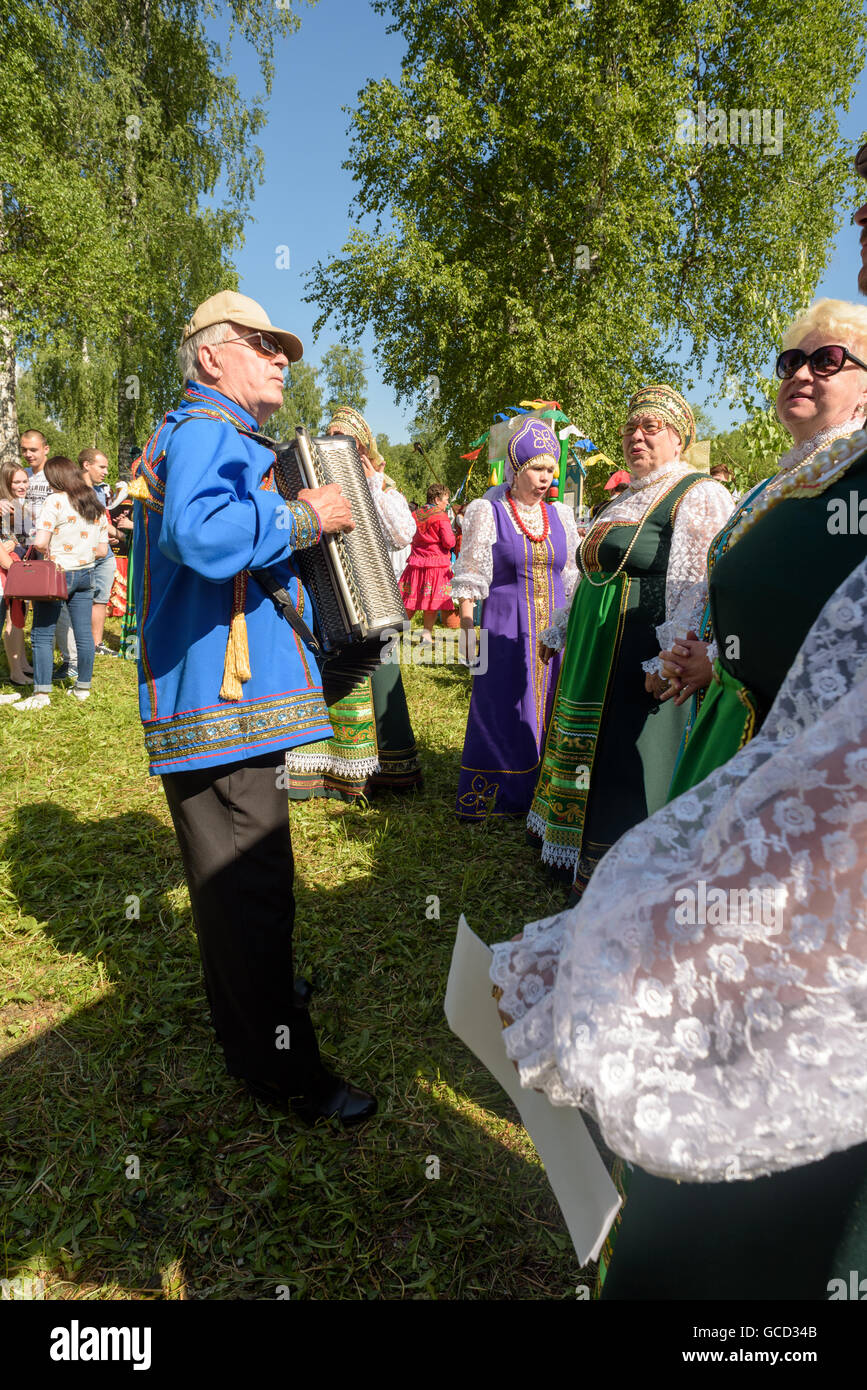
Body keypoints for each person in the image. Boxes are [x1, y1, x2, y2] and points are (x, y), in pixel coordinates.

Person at [128, 288, 376, 1125]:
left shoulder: (213, 432)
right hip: (219, 711)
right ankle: (280, 1067)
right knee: (251, 888)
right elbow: (199, 536)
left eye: (283, 348)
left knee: (236, 890)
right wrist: (306, 514)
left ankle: (253, 1007)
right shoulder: (208, 431)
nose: (279, 357)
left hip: (222, 707)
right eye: (261, 344)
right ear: (210, 356)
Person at [527, 385, 732, 903]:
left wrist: (668, 656)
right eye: (630, 428)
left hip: (637, 648)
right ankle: (568, 846)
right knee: (584, 749)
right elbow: (591, 574)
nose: (637, 437)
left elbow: (695, 585)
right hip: (594, 648)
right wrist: (561, 629)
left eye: (651, 428)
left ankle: (621, 872)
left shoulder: (697, 492)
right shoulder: (623, 497)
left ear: (679, 437)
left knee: (626, 753)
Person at [657, 300, 867, 799]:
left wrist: (725, 662)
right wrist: (702, 652)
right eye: (791, 362)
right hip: (732, 708)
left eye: (826, 361)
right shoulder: (775, 484)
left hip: (796, 737)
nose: (801, 373)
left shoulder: (855, 480)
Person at [283, 404, 423, 799]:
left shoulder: (384, 487)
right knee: (330, 679)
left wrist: (370, 485)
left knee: (377, 680)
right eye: (329, 435)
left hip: (376, 600)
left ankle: (382, 771)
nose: (334, 443)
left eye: (345, 440)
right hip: (329, 596)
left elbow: (403, 534)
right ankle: (329, 773)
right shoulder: (318, 481)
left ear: (363, 448)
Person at [452, 418, 579, 820]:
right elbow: (471, 573)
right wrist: (468, 633)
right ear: (517, 468)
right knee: (499, 704)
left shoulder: (560, 515)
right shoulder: (487, 512)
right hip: (504, 627)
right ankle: (498, 793)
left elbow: (572, 574)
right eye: (538, 469)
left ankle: (545, 789)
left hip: (553, 630)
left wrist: (573, 623)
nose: (545, 479)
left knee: (549, 704)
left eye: (550, 471)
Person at [6, 455, 108, 711]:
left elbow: (40, 542)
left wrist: (49, 547)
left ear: (56, 479)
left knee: (42, 633)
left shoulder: (55, 500)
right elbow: (101, 549)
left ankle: (41, 694)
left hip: (57, 574)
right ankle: (83, 687)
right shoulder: (94, 502)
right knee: (84, 633)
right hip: (86, 573)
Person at [78, 449, 120, 657]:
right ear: (87, 465)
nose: (105, 472)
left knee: (100, 598)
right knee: (77, 600)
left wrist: (119, 535)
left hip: (106, 554)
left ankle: (97, 644)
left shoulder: (101, 492)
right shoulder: (72, 490)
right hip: (81, 554)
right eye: (101, 467)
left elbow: (102, 522)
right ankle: (77, 646)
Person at [399, 483, 454, 638]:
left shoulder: (415, 514)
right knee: (432, 602)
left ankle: (396, 631)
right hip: (436, 564)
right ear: (437, 499)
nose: (447, 503)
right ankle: (426, 635)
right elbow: (449, 542)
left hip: (416, 562)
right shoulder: (441, 516)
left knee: (410, 600)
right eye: (446, 499)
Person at [0, 464, 33, 690]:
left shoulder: (20, 507)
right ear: (6, 484)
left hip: (19, 566)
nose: (22, 486)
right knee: (11, 618)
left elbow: (26, 539)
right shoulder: (2, 507)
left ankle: (21, 663)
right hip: (7, 569)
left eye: (24, 481)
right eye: (16, 483)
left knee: (19, 615)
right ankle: (15, 672)